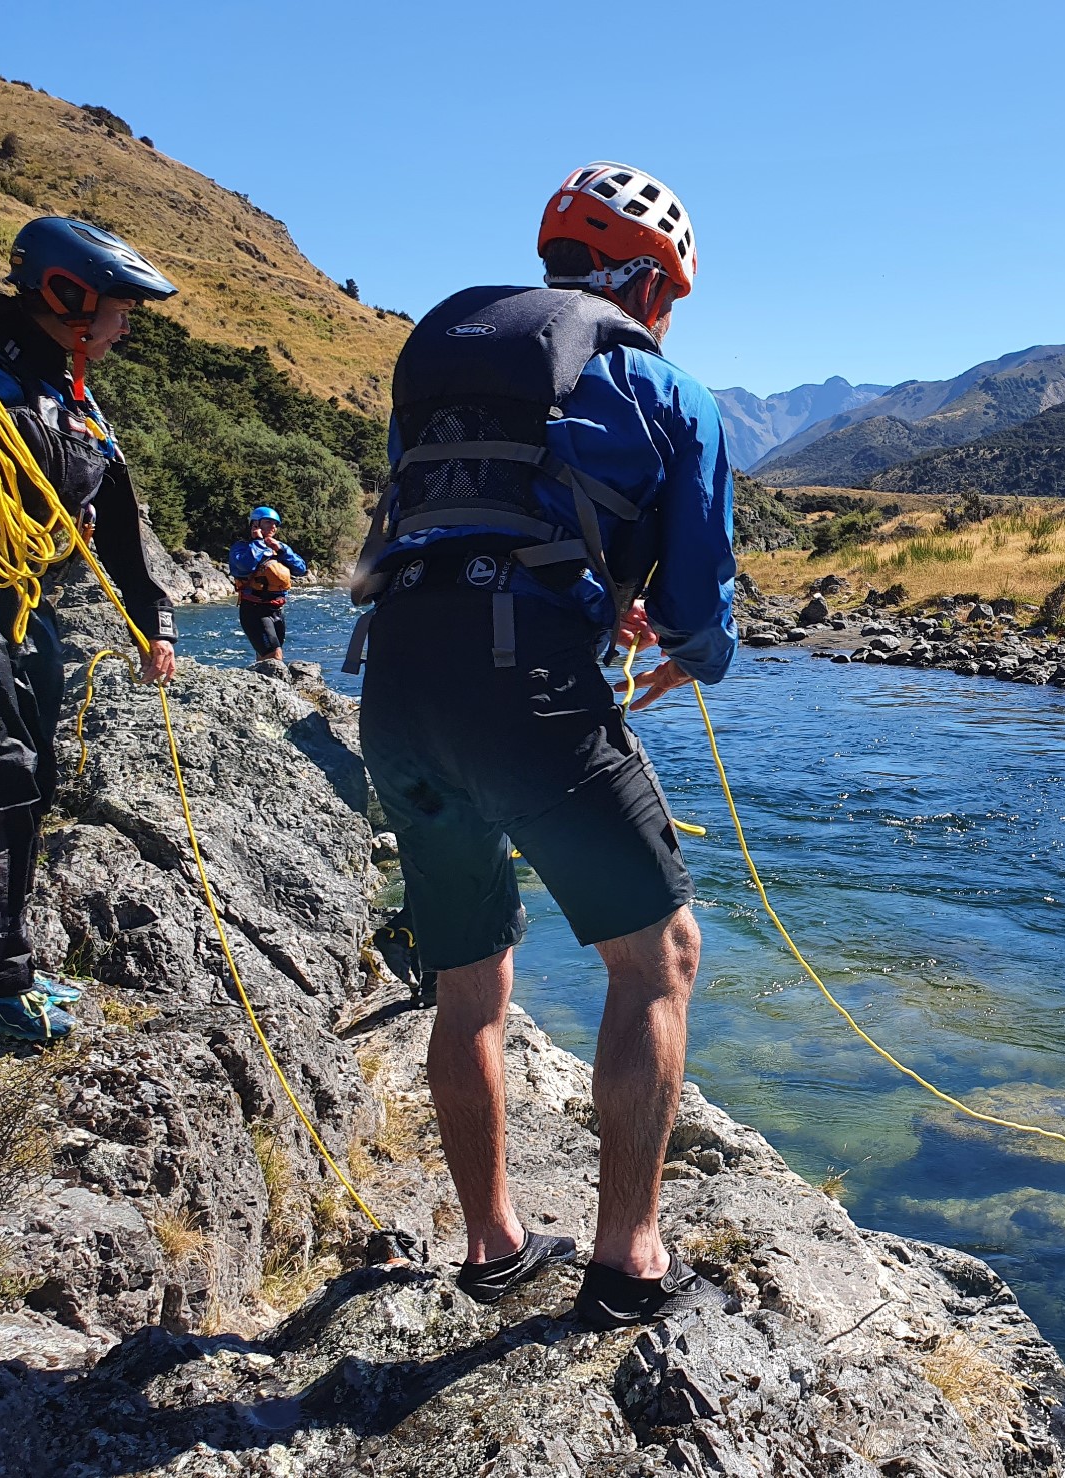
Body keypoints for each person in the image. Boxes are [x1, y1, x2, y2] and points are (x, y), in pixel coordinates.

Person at [350, 162, 736, 1327]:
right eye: (666, 293)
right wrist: (689, 651)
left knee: (467, 976)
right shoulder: (664, 389)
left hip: (397, 685)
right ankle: (628, 1260)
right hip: (527, 692)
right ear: (645, 282)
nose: (665, 316)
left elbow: (468, 522)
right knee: (657, 957)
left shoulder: (452, 379)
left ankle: (492, 1242)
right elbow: (698, 606)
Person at [0, 217, 179, 1041]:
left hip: (15, 596)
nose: (128, 325)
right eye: (120, 308)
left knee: (32, 777)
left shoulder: (76, 399)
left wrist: (153, 621)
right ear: (65, 295)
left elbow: (118, 527)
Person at [228, 506, 308, 662]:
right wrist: (258, 542)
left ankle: (260, 683)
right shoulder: (241, 547)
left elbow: (300, 569)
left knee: (266, 657)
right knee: (273, 656)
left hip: (276, 609)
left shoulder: (278, 548)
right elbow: (245, 567)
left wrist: (283, 549)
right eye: (268, 522)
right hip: (254, 610)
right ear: (255, 525)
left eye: (275, 524)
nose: (273, 527)